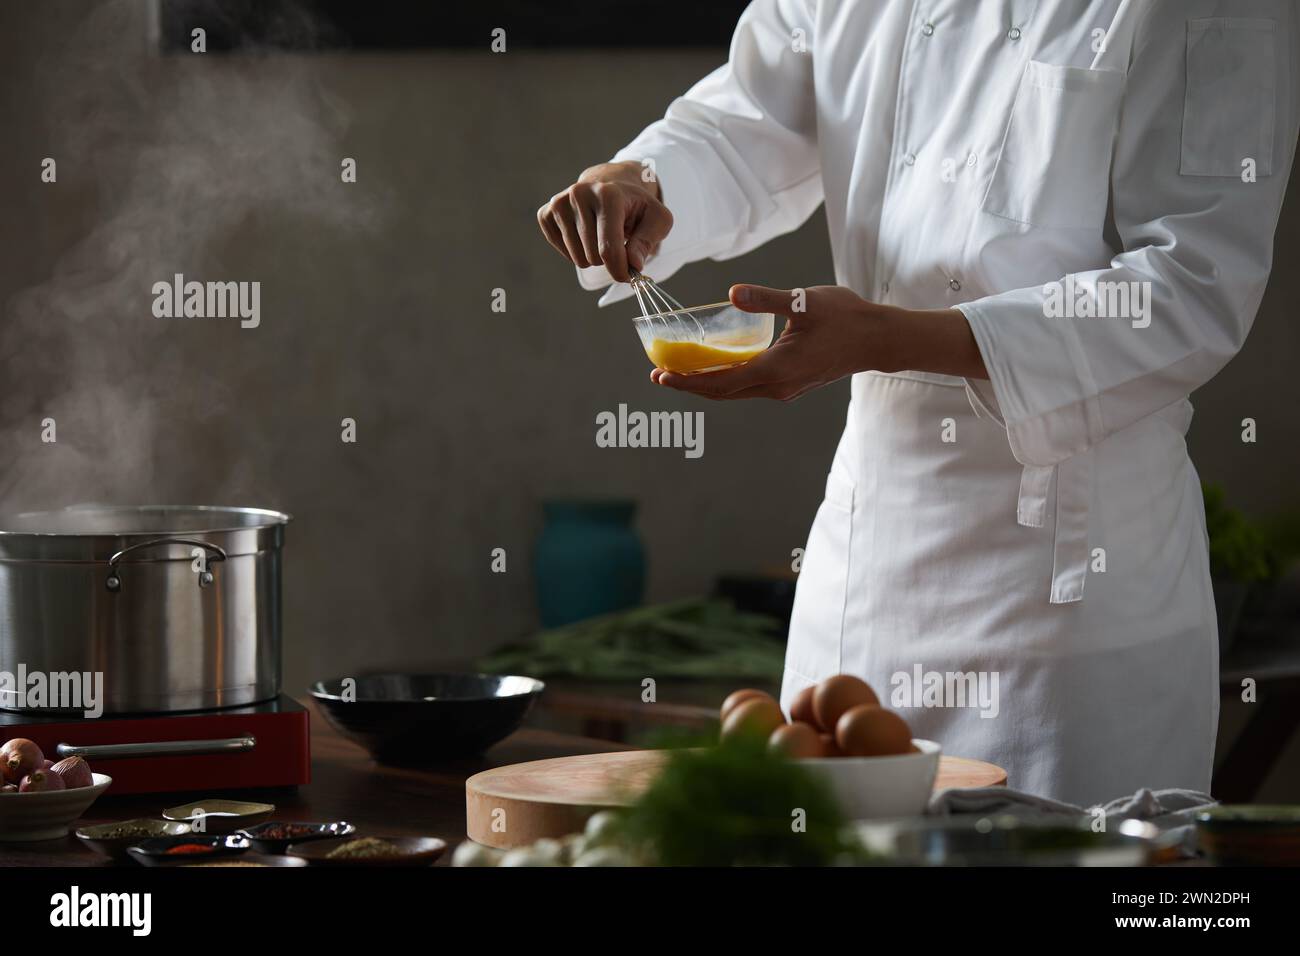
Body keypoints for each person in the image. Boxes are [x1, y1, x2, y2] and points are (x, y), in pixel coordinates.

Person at [536, 0, 1299, 806]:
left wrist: (888, 340)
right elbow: (747, 119)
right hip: (864, 571)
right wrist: (640, 177)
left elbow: (1191, 290)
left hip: (1066, 596)